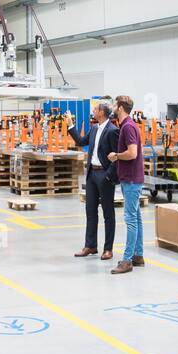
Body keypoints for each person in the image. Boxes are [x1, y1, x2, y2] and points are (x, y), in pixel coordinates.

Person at [67, 101, 117, 261]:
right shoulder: (95, 128)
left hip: (104, 175)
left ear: (102, 112)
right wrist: (71, 126)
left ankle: (108, 249)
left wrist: (109, 175)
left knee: (108, 213)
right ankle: (90, 245)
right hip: (91, 175)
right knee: (90, 211)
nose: (93, 111)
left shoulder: (113, 131)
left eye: (95, 109)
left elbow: (117, 158)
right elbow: (81, 141)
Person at [108, 95, 145, 274]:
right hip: (132, 178)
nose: (113, 108)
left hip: (131, 179)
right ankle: (138, 255)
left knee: (130, 219)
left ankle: (128, 260)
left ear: (121, 107)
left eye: (115, 105)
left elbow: (132, 153)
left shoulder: (128, 127)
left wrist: (116, 155)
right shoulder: (127, 125)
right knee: (136, 218)